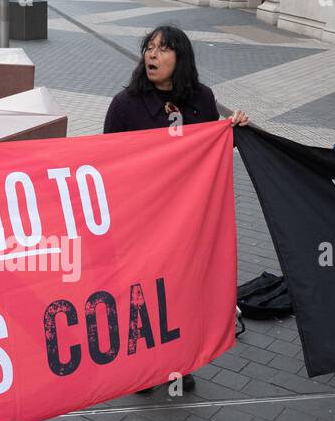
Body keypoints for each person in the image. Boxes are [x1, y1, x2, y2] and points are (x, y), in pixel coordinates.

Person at [102, 25, 250, 395]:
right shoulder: (126, 105)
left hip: (187, 219)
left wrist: (231, 133)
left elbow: (206, 152)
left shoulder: (202, 98)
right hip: (141, 219)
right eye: (148, 48)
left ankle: (176, 364)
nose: (152, 55)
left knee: (182, 289)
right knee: (144, 291)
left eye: (162, 49)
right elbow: (105, 162)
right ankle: (142, 365)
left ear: (179, 59)